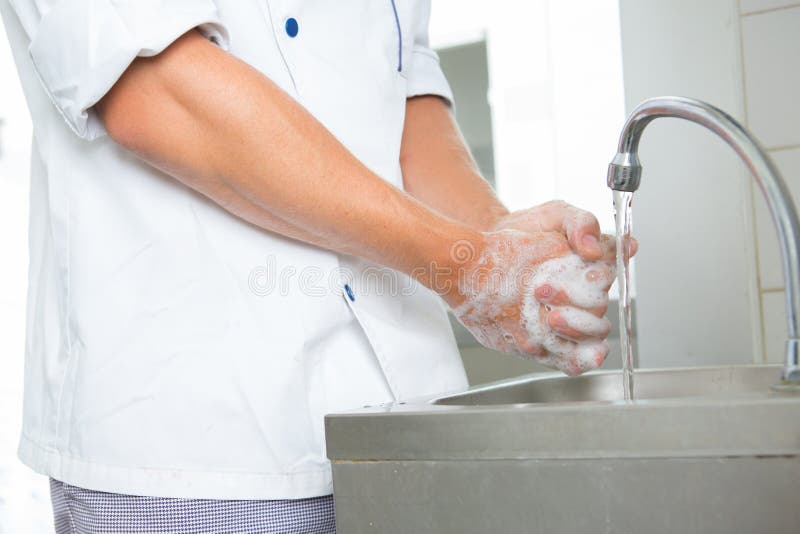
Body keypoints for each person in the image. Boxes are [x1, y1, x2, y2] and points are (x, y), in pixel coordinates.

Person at [1, 1, 631, 532]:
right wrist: (464, 266)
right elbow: (160, 93)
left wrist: (507, 251)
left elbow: (405, 90)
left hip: (410, 426)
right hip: (200, 452)